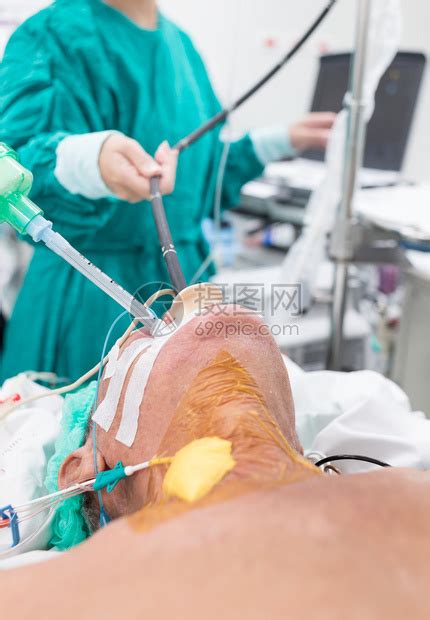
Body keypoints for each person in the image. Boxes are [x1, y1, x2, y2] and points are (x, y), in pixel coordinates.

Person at [2, 303, 430, 618]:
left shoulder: (402, 490)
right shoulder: (41, 600)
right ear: (89, 479)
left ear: (297, 440)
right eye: (141, 339)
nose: (184, 303)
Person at [0, 0, 335, 383]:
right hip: (90, 303)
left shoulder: (182, 46)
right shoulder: (50, 36)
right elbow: (17, 164)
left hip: (184, 295)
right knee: (88, 418)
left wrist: (278, 141)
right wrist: (90, 161)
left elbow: (201, 179)